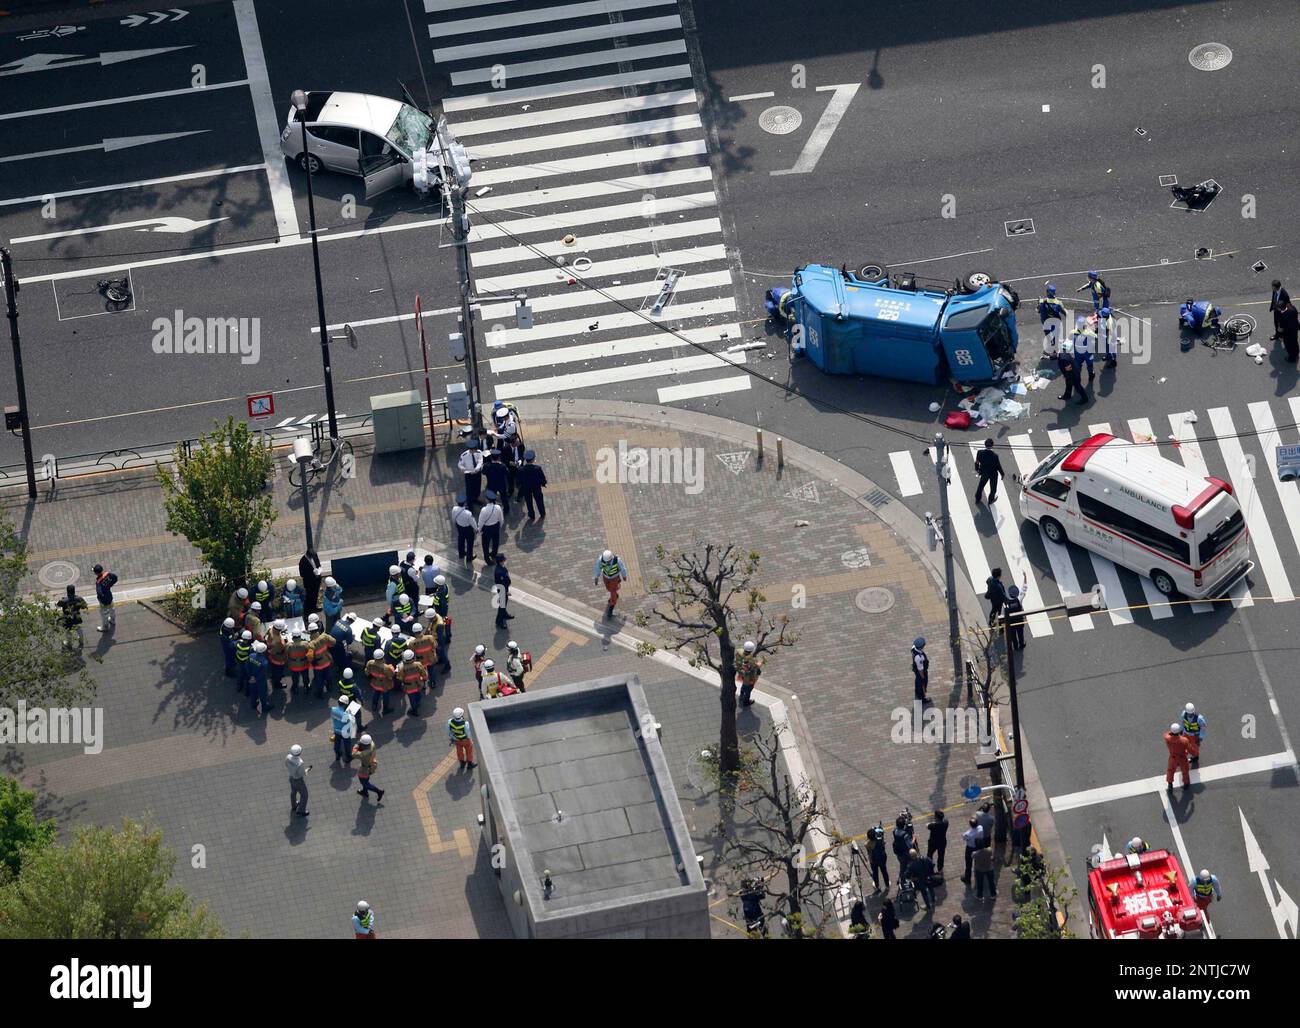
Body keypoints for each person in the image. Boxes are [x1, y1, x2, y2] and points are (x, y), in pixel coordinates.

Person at [594, 549, 628, 618]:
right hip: (606, 577)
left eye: (608, 562)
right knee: (609, 589)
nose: (607, 563)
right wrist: (596, 577)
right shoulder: (601, 559)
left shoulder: (617, 560)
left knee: (612, 591)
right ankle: (615, 594)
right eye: (605, 562)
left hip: (614, 578)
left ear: (611, 559)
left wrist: (624, 576)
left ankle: (611, 605)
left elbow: (622, 568)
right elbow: (598, 568)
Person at [517, 450, 548, 521]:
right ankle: (542, 513)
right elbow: (542, 478)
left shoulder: (521, 469)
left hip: (526, 488)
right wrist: (543, 483)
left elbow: (519, 480)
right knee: (539, 501)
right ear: (533, 459)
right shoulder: (537, 468)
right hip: (536, 488)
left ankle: (531, 515)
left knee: (529, 502)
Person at [352, 734, 384, 802]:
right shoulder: (372, 743)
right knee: (366, 780)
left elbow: (354, 754)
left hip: (365, 768)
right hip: (371, 764)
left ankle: (379, 791)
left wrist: (357, 745)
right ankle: (365, 792)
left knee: (364, 782)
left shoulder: (365, 753)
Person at [1037, 283, 1067, 355]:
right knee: (1055, 335)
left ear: (1047, 292)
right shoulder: (1058, 302)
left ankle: (1050, 348)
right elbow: (1064, 312)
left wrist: (1039, 303)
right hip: (1055, 323)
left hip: (1045, 323)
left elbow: (1038, 311)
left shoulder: (1042, 301)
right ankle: (1054, 350)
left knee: (1048, 335)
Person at [973, 438, 1004, 505]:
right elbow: (998, 466)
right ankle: (990, 500)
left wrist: (977, 469)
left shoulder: (980, 453)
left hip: (984, 473)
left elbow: (977, 462)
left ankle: (977, 498)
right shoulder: (995, 456)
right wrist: (1002, 474)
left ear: (985, 445)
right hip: (993, 474)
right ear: (992, 445)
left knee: (981, 486)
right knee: (993, 489)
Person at [56, 584, 88, 650]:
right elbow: (84, 606)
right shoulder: (79, 598)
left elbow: (57, 606)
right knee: (78, 628)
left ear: (67, 591)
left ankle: (69, 643)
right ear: (74, 591)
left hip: (67, 618)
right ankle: (81, 640)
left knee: (68, 631)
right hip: (76, 616)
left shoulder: (63, 601)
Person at [396, 649, 427, 717]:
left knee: (412, 699)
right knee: (418, 694)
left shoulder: (401, 667)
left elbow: (399, 678)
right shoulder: (418, 664)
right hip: (418, 684)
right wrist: (424, 680)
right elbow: (424, 674)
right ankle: (418, 703)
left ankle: (414, 711)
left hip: (409, 687)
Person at [1165, 722, 1193, 792]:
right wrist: (1195, 753)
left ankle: (1170, 784)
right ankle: (1186, 784)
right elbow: (1189, 749)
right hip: (1182, 758)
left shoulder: (1167, 738)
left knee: (1170, 770)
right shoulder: (1184, 740)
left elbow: (1167, 734)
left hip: (1173, 758)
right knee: (1185, 771)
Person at [477, 490, 504, 564]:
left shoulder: (484, 510)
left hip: (487, 529)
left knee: (485, 544)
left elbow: (481, 522)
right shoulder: (498, 507)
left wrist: (479, 530)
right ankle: (494, 554)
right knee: (495, 542)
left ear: (487, 500)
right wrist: (499, 526)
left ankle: (487, 559)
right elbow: (501, 519)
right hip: (495, 527)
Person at [365, 648, 394, 716]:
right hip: (384, 685)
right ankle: (385, 709)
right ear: (383, 657)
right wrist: (391, 668)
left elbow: (367, 672)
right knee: (385, 697)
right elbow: (391, 676)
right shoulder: (387, 667)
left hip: (375, 683)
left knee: (376, 694)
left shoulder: (370, 662)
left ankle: (374, 705)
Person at [309, 624, 335, 698]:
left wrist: (312, 661)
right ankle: (329, 687)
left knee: (319, 680)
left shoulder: (311, 644)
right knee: (328, 675)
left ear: (310, 632)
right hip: (327, 661)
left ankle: (320, 693)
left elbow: (309, 657)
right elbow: (333, 642)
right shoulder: (324, 636)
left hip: (318, 665)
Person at [91, 563, 118, 633]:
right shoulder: (108, 574)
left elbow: (99, 593)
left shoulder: (98, 582)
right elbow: (115, 578)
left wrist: (100, 598)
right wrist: (109, 586)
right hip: (109, 596)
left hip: (104, 600)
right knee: (112, 609)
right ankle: (112, 620)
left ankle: (105, 627)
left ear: (96, 573)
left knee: (104, 613)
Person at [1073, 315, 1098, 387]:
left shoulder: (1073, 332)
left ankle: (1078, 379)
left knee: (1078, 366)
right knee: (1089, 365)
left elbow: (1069, 342)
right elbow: (1096, 338)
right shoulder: (1089, 332)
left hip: (1078, 354)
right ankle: (1091, 375)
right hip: (1088, 353)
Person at [286, 744, 310, 817]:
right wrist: (307, 770)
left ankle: (294, 805)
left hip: (291, 777)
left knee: (293, 792)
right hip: (298, 780)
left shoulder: (288, 757)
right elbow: (301, 773)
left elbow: (286, 765)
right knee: (304, 795)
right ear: (299, 753)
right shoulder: (300, 762)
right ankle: (301, 811)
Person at [736, 640, 763, 706]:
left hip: (741, 673)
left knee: (744, 685)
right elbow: (752, 668)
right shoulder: (751, 660)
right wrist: (758, 664)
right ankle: (746, 702)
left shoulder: (739, 653)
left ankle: (741, 696)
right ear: (751, 650)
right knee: (749, 689)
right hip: (749, 677)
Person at [483, 451, 510, 517]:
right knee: (504, 498)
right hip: (501, 484)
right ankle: (506, 509)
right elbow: (507, 473)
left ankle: (493, 509)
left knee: (492, 498)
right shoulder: (502, 466)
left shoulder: (487, 466)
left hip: (491, 484)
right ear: (499, 458)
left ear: (491, 458)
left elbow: (483, 472)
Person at [458, 439, 484, 507]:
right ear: (470, 449)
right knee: (469, 491)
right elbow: (460, 464)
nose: (475, 450)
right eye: (474, 449)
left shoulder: (479, 452)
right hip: (469, 475)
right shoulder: (464, 455)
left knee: (477, 488)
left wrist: (476, 469)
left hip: (477, 473)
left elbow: (480, 461)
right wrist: (463, 469)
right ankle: (470, 506)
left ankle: (475, 499)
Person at [330, 696, 356, 764]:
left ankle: (338, 754)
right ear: (345, 704)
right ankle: (348, 756)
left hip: (337, 731)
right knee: (347, 744)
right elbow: (350, 721)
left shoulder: (333, 709)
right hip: (345, 732)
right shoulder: (346, 715)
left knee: (337, 743)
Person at [248, 641, 272, 715]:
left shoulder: (251, 656)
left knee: (253, 692)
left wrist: (251, 677)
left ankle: (253, 704)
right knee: (262, 694)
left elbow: (247, 666)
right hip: (260, 680)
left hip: (252, 678)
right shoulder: (264, 662)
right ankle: (264, 707)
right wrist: (256, 679)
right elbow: (262, 673)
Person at [452, 494, 477, 564]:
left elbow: (453, 518)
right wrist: (477, 529)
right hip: (468, 529)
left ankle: (461, 554)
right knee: (469, 543)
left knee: (461, 539)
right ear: (464, 503)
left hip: (459, 527)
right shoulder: (468, 513)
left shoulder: (454, 509)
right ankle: (469, 558)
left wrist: (455, 525)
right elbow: (473, 523)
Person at [865, 824, 890, 893]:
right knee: (884, 871)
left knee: (875, 873)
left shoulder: (868, 843)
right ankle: (887, 885)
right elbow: (883, 843)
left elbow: (866, 846)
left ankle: (877, 886)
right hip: (882, 858)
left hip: (873, 860)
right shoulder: (880, 838)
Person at [891, 814, 915, 884]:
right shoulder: (905, 835)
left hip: (898, 853)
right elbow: (910, 845)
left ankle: (902, 879)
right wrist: (913, 838)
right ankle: (907, 879)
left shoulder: (894, 831)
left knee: (902, 866)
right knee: (907, 866)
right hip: (905, 854)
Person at [961, 816, 984, 885]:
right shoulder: (980, 828)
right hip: (978, 847)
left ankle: (967, 879)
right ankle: (979, 875)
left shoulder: (967, 834)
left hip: (970, 849)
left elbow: (964, 838)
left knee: (968, 864)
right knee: (978, 862)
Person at [299, 550, 322, 617]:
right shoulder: (302, 561)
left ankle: (314, 607)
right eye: (311, 556)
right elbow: (302, 574)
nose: (313, 557)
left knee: (315, 595)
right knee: (309, 597)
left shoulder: (314, 555)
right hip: (309, 583)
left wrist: (318, 569)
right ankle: (307, 612)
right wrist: (312, 573)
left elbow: (318, 563)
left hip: (317, 579)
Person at [266, 619, 288, 689]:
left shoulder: (271, 629)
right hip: (278, 658)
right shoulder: (278, 641)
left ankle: (274, 677)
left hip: (271, 653)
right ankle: (277, 684)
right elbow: (281, 649)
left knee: (274, 669)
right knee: (278, 671)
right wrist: (286, 643)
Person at [1004, 584, 1027, 651]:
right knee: (1020, 633)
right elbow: (1024, 589)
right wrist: (1025, 577)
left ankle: (1015, 646)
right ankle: (1021, 644)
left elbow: (1005, 611)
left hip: (1011, 622)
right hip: (1019, 620)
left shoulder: (1006, 601)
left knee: (1013, 635)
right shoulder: (1019, 599)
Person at [494, 553, 513, 628]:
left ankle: (504, 614)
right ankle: (499, 621)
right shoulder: (499, 572)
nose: (505, 561)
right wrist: (506, 592)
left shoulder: (501, 567)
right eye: (503, 560)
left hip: (505, 589)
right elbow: (501, 584)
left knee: (504, 604)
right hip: (502, 591)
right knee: (502, 606)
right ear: (500, 561)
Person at [1278, 299, 1300, 363]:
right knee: (1295, 342)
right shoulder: (1293, 309)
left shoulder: (1282, 317)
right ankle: (1296, 352)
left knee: (1289, 346)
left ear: (1280, 308)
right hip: (1295, 329)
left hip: (1287, 334)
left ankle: (1292, 358)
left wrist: (1280, 336)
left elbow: (1281, 329)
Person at [910, 636, 929, 705]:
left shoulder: (913, 648)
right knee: (922, 684)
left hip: (916, 669)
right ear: (921, 647)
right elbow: (920, 669)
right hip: (921, 672)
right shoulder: (918, 657)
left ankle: (917, 692)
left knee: (917, 682)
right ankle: (922, 698)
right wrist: (923, 677)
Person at [234, 630, 254, 694]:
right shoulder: (250, 648)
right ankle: (247, 691)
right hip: (246, 663)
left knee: (240, 675)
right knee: (248, 677)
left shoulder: (237, 644)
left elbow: (235, 643)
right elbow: (252, 656)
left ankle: (239, 687)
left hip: (239, 662)